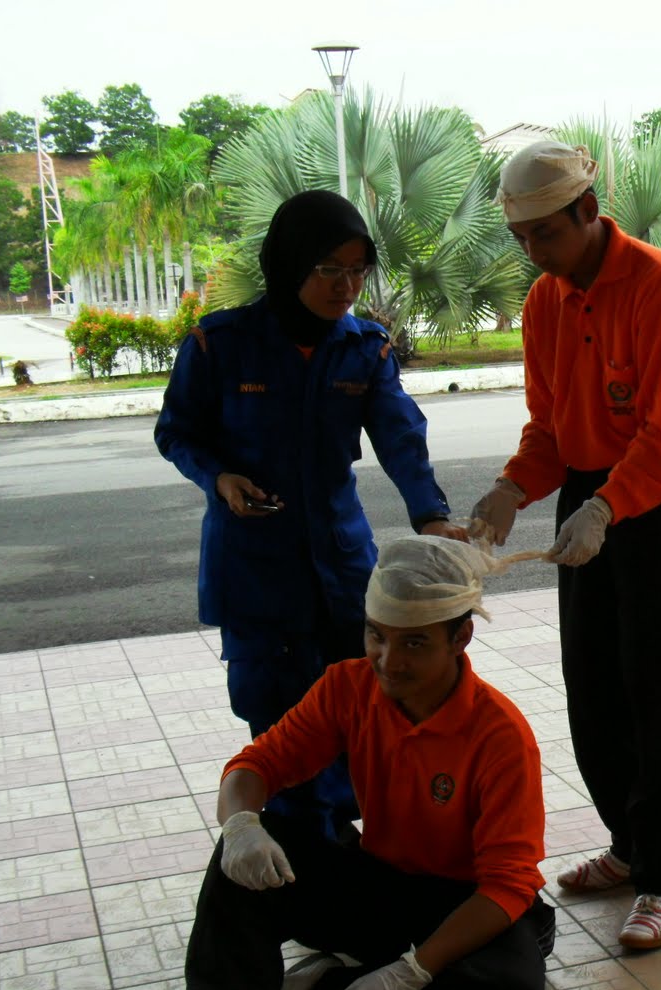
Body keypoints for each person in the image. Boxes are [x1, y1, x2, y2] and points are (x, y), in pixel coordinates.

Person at [134, 536, 554, 990]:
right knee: (249, 847)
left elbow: (509, 884)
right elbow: (254, 768)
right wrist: (241, 824)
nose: (389, 660)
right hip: (381, 886)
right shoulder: (347, 687)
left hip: (462, 904)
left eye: (414, 643)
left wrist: (409, 974)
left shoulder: (499, 733)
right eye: (376, 635)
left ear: (460, 639)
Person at [155, 190, 466, 839]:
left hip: (343, 569)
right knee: (280, 727)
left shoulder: (365, 349)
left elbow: (400, 436)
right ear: (291, 263)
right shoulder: (219, 346)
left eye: (357, 270)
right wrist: (219, 478)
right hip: (254, 571)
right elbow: (177, 432)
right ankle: (316, 870)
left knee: (366, 716)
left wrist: (432, 517)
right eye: (330, 269)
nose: (347, 286)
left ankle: (357, 864)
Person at [468, 142, 661, 951]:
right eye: (522, 239)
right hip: (588, 495)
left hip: (658, 499)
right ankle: (628, 843)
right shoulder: (546, 302)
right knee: (595, 684)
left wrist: (611, 506)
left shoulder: (658, 285)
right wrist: (511, 489)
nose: (535, 253)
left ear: (587, 210)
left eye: (547, 234)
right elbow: (550, 427)